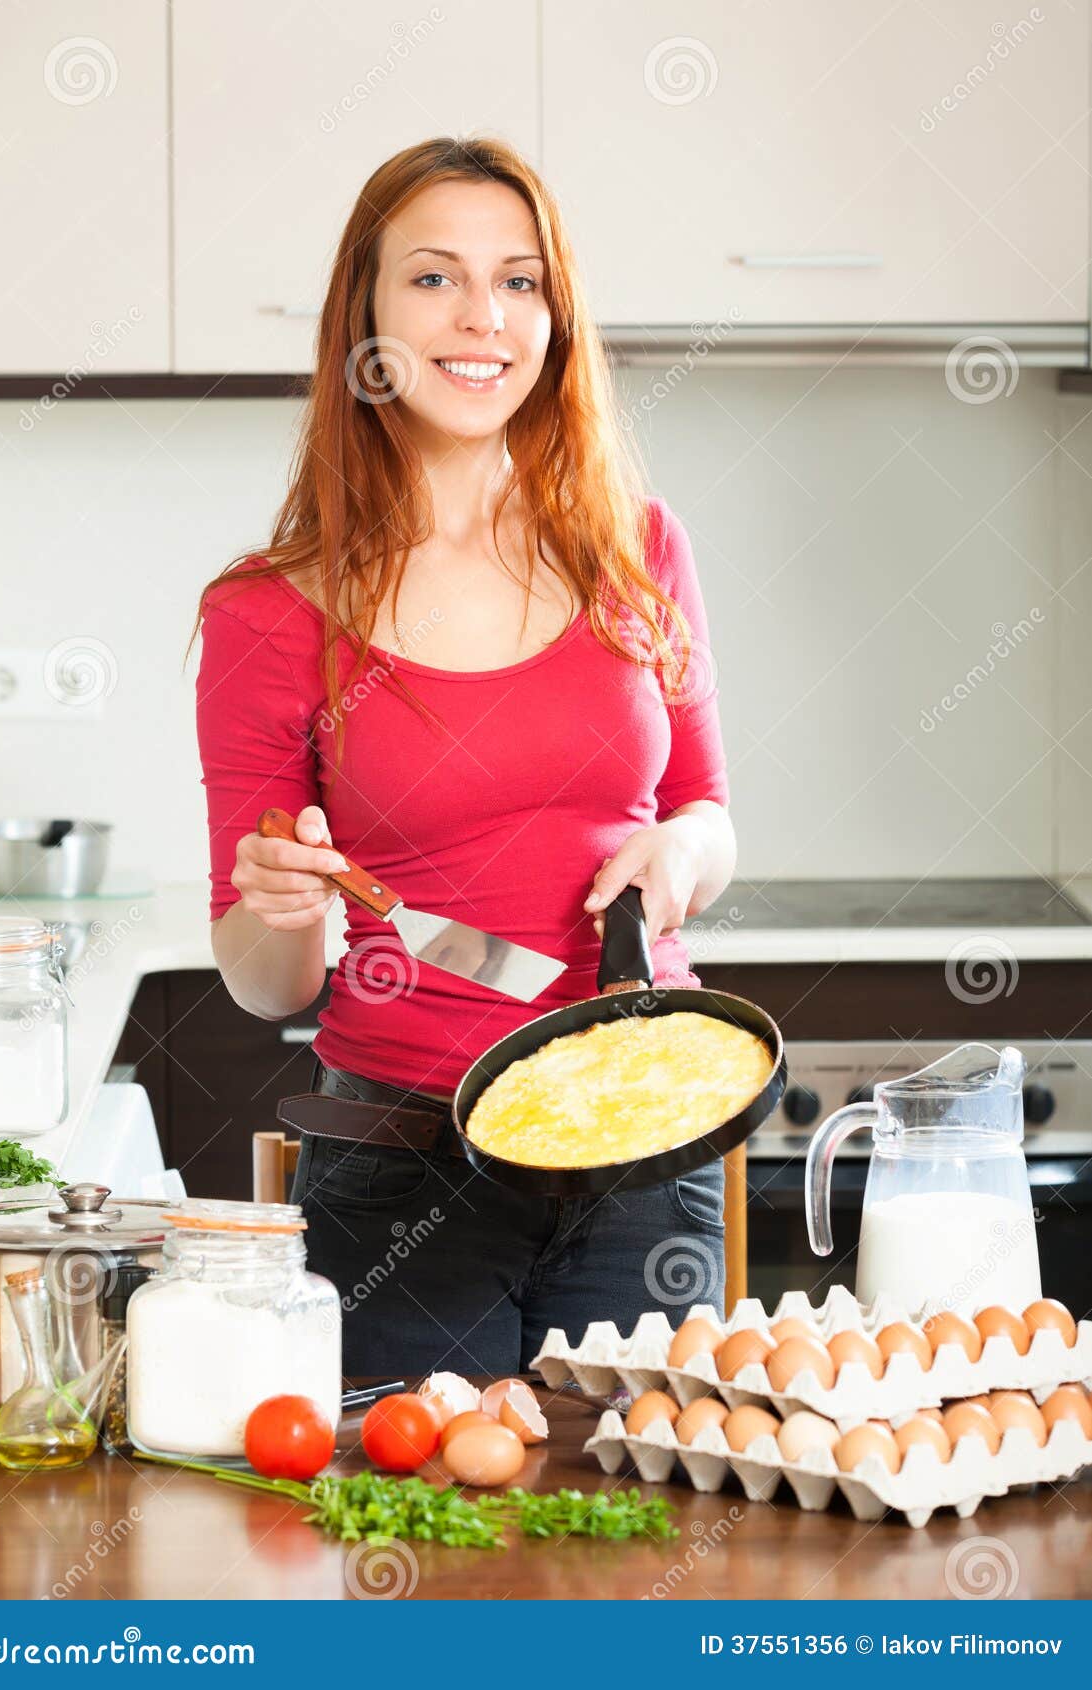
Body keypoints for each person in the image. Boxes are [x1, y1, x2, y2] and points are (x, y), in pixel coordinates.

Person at [192, 135, 736, 1380]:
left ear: (554, 313)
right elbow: (270, 984)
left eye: (520, 280)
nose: (481, 316)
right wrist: (278, 901)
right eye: (433, 278)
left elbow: (707, 808)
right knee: (429, 1543)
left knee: (641, 1529)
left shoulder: (637, 549)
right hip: (402, 1169)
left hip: (642, 1130)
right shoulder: (269, 612)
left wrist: (684, 851)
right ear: (366, 314)